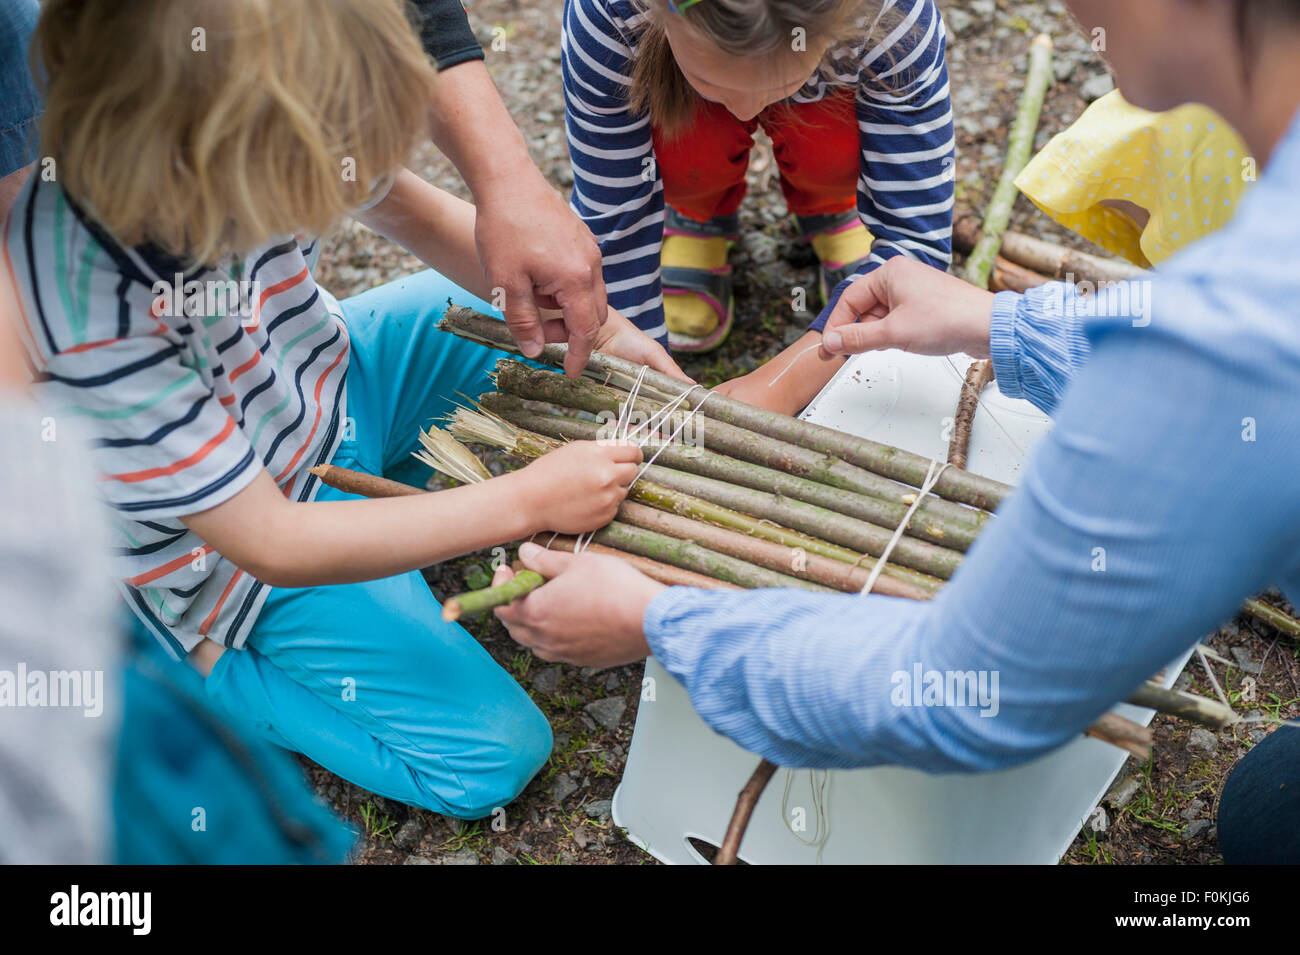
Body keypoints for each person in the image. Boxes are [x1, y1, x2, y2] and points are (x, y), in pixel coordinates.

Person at [488, 0, 1300, 863]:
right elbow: (1214, 338)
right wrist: (1008, 326)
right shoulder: (1256, 277)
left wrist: (662, 621)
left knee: (1265, 820)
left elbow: (975, 686)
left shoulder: (1241, 348)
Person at [6, 0, 667, 820]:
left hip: (330, 380)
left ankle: (385, 487)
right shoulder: (91, 313)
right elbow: (274, 542)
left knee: (512, 326)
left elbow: (419, 218)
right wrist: (526, 502)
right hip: (236, 545)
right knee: (492, 753)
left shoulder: (251, 107)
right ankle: (198, 666)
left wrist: (600, 326)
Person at [562, 0, 954, 352]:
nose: (745, 109)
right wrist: (636, 359)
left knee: (839, 144)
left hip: (833, 98)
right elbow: (615, 215)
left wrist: (808, 365)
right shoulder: (609, 17)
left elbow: (917, 238)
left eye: (779, 85)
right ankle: (698, 215)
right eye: (714, 84)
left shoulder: (893, 15)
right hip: (679, 103)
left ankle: (833, 207)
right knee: (684, 139)